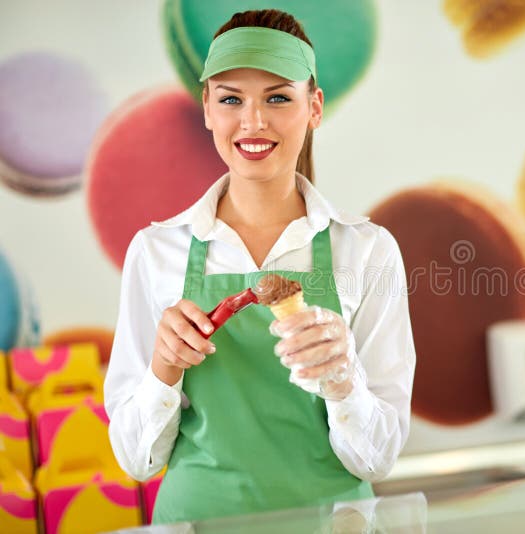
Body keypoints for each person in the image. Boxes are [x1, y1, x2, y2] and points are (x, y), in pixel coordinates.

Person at [103, 9, 416, 524]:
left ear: (314, 107)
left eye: (278, 98)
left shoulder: (367, 250)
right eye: (231, 99)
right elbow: (137, 462)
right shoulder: (156, 252)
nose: (253, 122)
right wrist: (164, 368)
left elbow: (377, 458)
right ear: (206, 107)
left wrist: (342, 379)